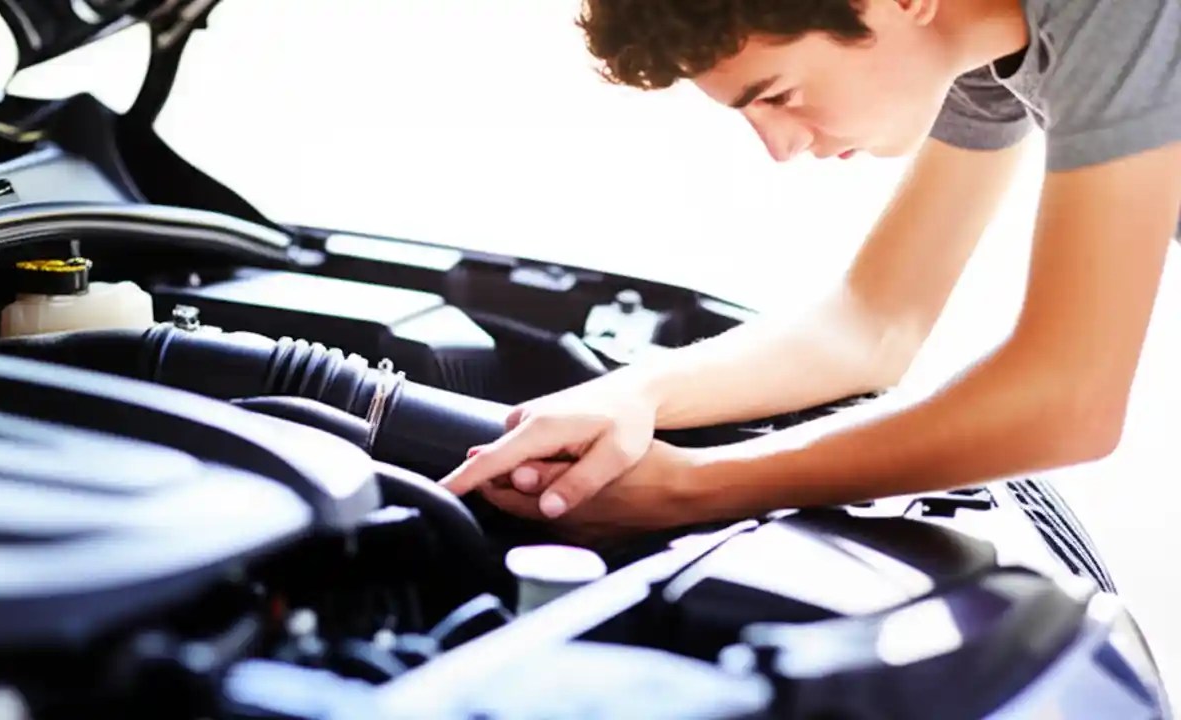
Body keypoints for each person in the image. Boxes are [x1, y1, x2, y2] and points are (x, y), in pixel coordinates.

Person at [439, 0, 1181, 544]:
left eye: (780, 94)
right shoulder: (975, 43)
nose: (782, 147)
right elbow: (872, 324)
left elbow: (1067, 400)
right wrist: (633, 395)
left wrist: (695, 487)